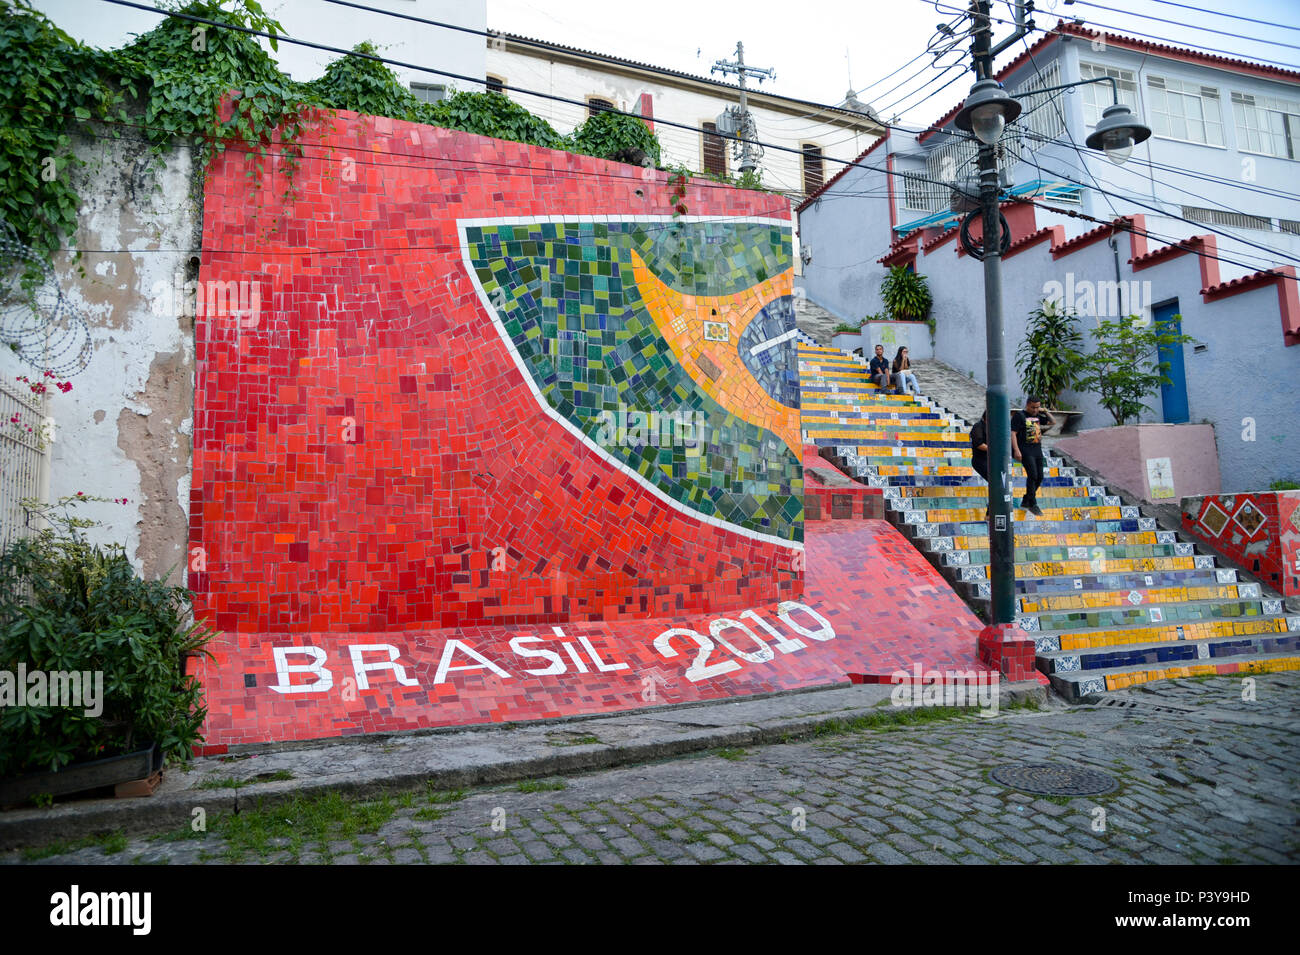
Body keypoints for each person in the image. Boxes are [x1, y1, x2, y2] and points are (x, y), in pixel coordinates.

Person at [1011, 396, 1056, 517]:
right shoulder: (1019, 416)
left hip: (1036, 449)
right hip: (1024, 449)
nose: (1035, 410)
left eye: (1037, 407)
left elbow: (1053, 422)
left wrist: (1045, 411)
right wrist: (1016, 450)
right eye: (1033, 407)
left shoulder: (1037, 416)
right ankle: (1032, 503)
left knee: (1040, 476)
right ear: (1027, 405)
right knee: (1033, 475)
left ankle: (1026, 500)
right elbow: (1013, 433)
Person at [969, 410, 990, 521]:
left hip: (991, 461)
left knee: (999, 483)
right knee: (995, 482)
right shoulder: (978, 427)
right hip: (980, 461)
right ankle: (989, 514)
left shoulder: (993, 428)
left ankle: (990, 512)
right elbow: (979, 444)